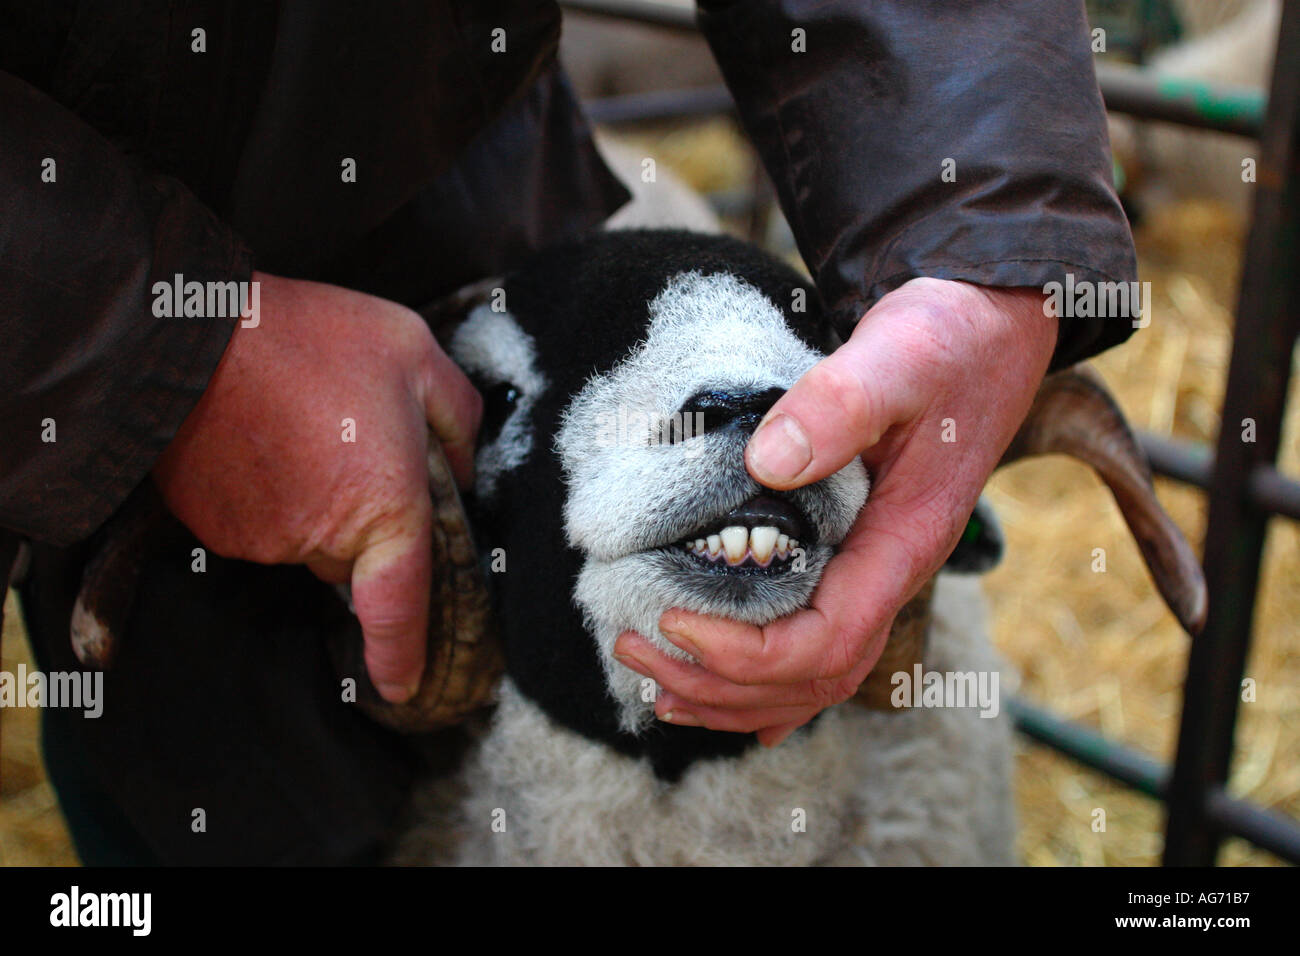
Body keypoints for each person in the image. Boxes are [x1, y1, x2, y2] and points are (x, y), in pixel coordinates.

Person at [0, 1, 1137, 863]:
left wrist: (983, 243)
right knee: (186, 774)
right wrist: (161, 347)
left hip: (457, 205)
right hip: (80, 406)